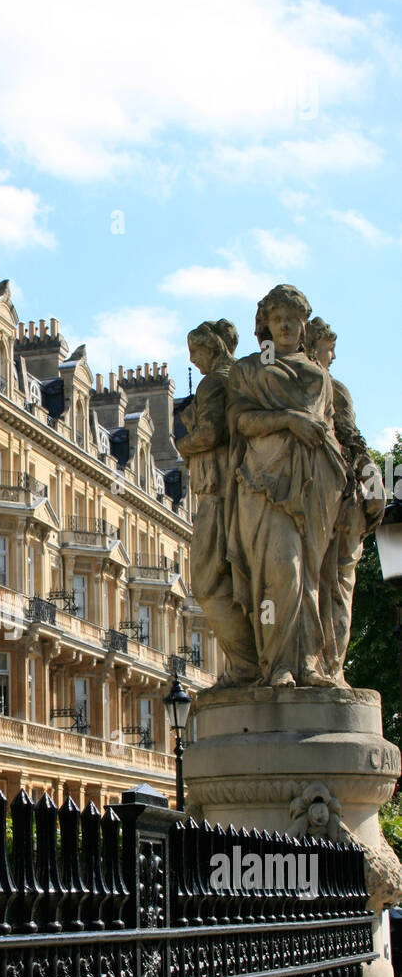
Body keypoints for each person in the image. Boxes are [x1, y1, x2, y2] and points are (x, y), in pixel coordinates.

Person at [225, 285, 348, 687]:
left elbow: (329, 427)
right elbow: (241, 423)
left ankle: (309, 661)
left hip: (315, 485)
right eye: (277, 318)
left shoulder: (318, 376)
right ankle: (276, 663)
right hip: (262, 482)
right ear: (265, 323)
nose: (285, 325)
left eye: (293, 319)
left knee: (311, 576)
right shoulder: (250, 370)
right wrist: (289, 421)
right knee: (280, 570)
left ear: (303, 325)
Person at [304, 316, 385, 684]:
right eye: (327, 347)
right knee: (318, 586)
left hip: (340, 498)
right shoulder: (302, 389)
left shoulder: (334, 390)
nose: (332, 356)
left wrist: (372, 483)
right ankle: (315, 663)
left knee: (334, 587)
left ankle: (331, 667)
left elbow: (353, 441)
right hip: (311, 498)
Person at [179, 319, 259, 685]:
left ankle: (245, 666)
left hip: (215, 491)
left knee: (207, 583)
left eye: (196, 352)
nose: (194, 361)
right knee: (243, 579)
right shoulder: (245, 380)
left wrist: (183, 446)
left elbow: (210, 432)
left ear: (211, 347)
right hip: (244, 493)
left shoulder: (215, 381)